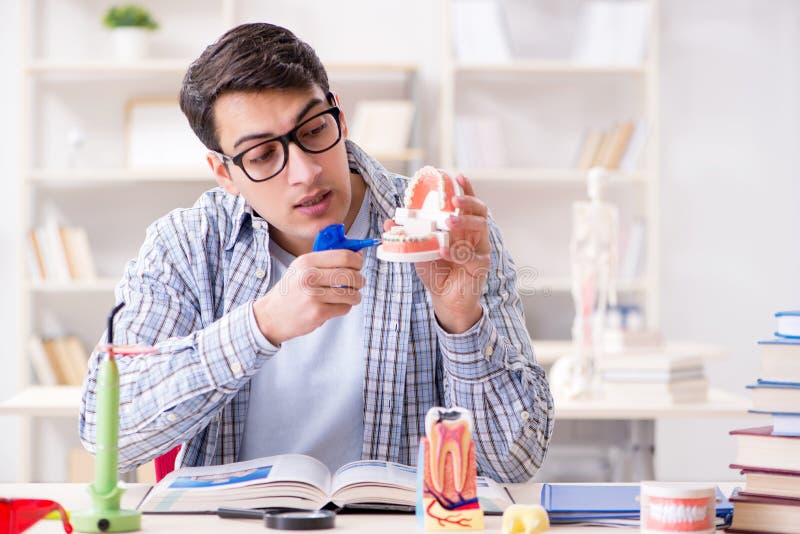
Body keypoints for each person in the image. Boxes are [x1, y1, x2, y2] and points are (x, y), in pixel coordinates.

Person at [79, 22, 553, 482]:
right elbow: (105, 433)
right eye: (262, 155)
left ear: (340, 117)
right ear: (224, 173)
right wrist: (262, 325)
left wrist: (461, 319)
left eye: (313, 130)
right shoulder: (185, 245)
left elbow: (515, 464)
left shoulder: (448, 232)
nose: (305, 172)